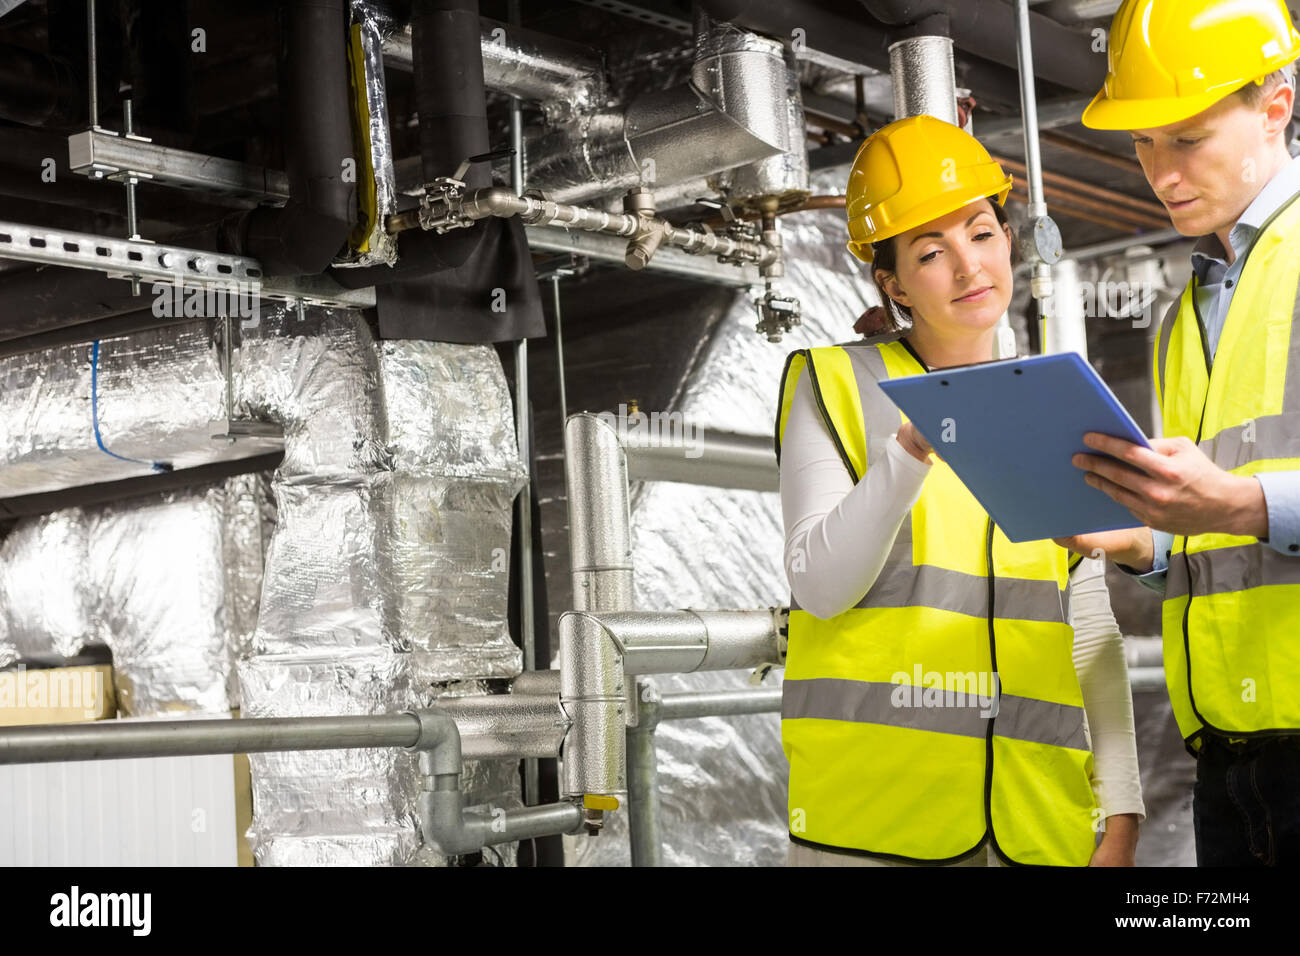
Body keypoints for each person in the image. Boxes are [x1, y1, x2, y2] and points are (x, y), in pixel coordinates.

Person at [777, 114, 1144, 867]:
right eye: (930, 251)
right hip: (874, 827)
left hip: (1037, 825)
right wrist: (909, 453)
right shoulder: (839, 382)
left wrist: (1123, 810)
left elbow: (1086, 621)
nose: (970, 267)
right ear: (893, 283)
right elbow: (818, 585)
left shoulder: (1056, 397)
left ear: (1009, 240)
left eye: (981, 233)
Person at [1061, 0, 1300, 867]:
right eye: (1143, 144)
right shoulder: (1182, 313)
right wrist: (1144, 540)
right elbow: (1218, 528)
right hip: (1228, 761)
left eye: (1186, 138)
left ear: (1275, 107)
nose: (1161, 172)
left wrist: (1240, 503)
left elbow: (1239, 504)